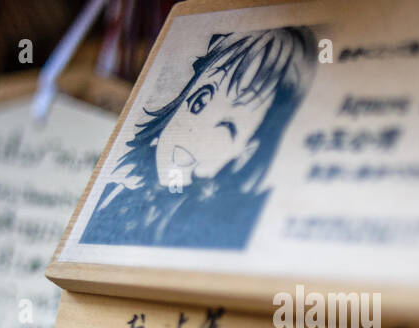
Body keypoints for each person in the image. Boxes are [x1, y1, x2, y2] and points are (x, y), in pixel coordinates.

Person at [80, 26, 315, 249]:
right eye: (200, 100)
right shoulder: (116, 191)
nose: (196, 130)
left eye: (226, 127)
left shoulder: (220, 228)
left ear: (247, 151)